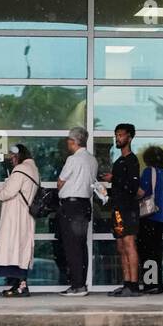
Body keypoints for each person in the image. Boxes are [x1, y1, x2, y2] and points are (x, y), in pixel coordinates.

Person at [0, 144, 41, 297]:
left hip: (15, 216)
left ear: (19, 156)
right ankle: (19, 284)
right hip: (26, 215)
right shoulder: (34, 170)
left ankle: (20, 286)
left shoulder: (20, 170)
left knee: (13, 250)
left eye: (13, 156)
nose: (11, 160)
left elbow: (7, 192)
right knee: (22, 251)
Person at [101, 123, 141, 296]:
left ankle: (133, 284)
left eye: (121, 135)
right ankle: (126, 282)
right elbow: (119, 187)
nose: (118, 138)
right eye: (116, 135)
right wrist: (104, 190)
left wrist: (114, 178)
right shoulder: (118, 161)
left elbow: (132, 186)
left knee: (129, 244)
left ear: (130, 137)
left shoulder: (132, 160)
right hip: (117, 209)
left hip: (128, 209)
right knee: (121, 246)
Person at [56, 127, 97, 297]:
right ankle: (82, 284)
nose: (67, 143)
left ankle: (76, 286)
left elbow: (60, 182)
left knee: (71, 247)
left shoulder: (73, 160)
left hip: (71, 206)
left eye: (68, 140)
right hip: (84, 205)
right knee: (80, 246)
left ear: (74, 141)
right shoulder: (92, 160)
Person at [138, 145, 163, 294]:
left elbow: (142, 193)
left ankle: (149, 284)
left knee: (146, 251)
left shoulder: (148, 172)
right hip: (160, 218)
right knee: (155, 251)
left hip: (149, 216)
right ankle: (157, 284)